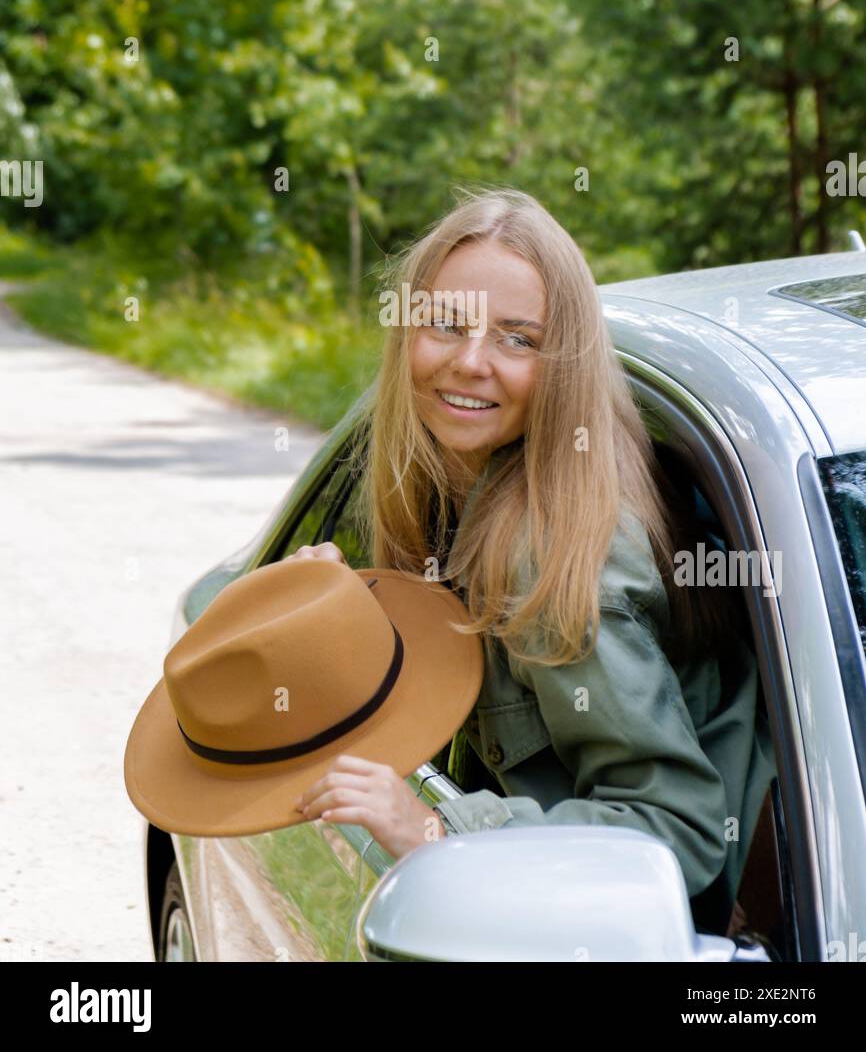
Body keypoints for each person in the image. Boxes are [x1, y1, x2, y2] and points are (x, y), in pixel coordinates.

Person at [291, 185, 778, 934]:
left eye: (518, 338)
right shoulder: (442, 487)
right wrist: (344, 619)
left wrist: (433, 832)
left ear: (565, 363)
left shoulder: (549, 558)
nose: (471, 362)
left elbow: (676, 829)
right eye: (446, 325)